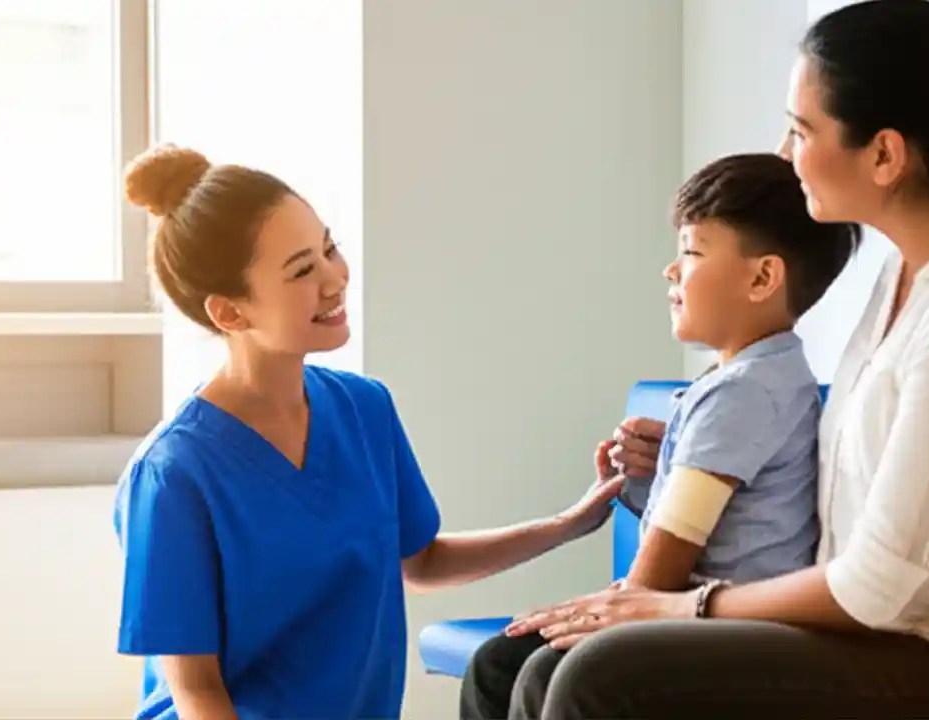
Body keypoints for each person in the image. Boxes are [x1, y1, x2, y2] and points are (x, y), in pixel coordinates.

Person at [500, 1, 929, 718]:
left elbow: (883, 586)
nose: (786, 154)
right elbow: (876, 479)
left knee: (601, 675)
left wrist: (683, 606)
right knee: (523, 663)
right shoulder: (910, 279)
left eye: (802, 129)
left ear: (884, 154)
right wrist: (695, 451)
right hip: (870, 643)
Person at [113, 144, 627, 720]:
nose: (334, 278)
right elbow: (196, 691)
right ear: (230, 313)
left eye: (328, 248)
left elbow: (421, 562)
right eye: (302, 270)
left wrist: (570, 523)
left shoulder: (364, 408)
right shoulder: (174, 472)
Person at [460, 153, 857, 719]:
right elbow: (712, 518)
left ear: (762, 277)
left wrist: (597, 616)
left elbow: (668, 561)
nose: (671, 271)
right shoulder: (764, 380)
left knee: (518, 663)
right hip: (713, 615)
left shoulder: (741, 392)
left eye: (691, 252)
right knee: (511, 661)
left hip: (725, 626)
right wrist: (645, 481)